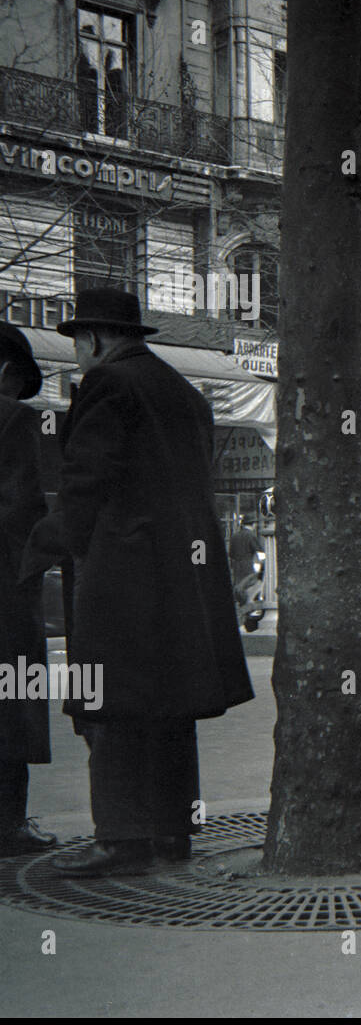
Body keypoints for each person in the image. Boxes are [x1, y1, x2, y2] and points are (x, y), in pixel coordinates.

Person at [24, 289, 254, 877]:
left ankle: (122, 840)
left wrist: (38, 551)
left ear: (95, 339)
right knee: (169, 707)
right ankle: (172, 833)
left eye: (78, 342)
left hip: (123, 577)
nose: (77, 354)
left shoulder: (108, 385)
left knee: (111, 705)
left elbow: (86, 484)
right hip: (184, 579)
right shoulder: (183, 391)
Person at [0, 325, 56, 858]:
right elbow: (23, 510)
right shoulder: (12, 419)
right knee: (12, 700)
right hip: (4, 596)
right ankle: (8, 825)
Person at [228, 516, 262, 613]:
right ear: (253, 525)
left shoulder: (234, 536)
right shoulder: (251, 535)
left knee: (239, 586)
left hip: (236, 566)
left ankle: (240, 605)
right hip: (248, 564)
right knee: (250, 585)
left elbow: (231, 553)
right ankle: (247, 608)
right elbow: (259, 551)